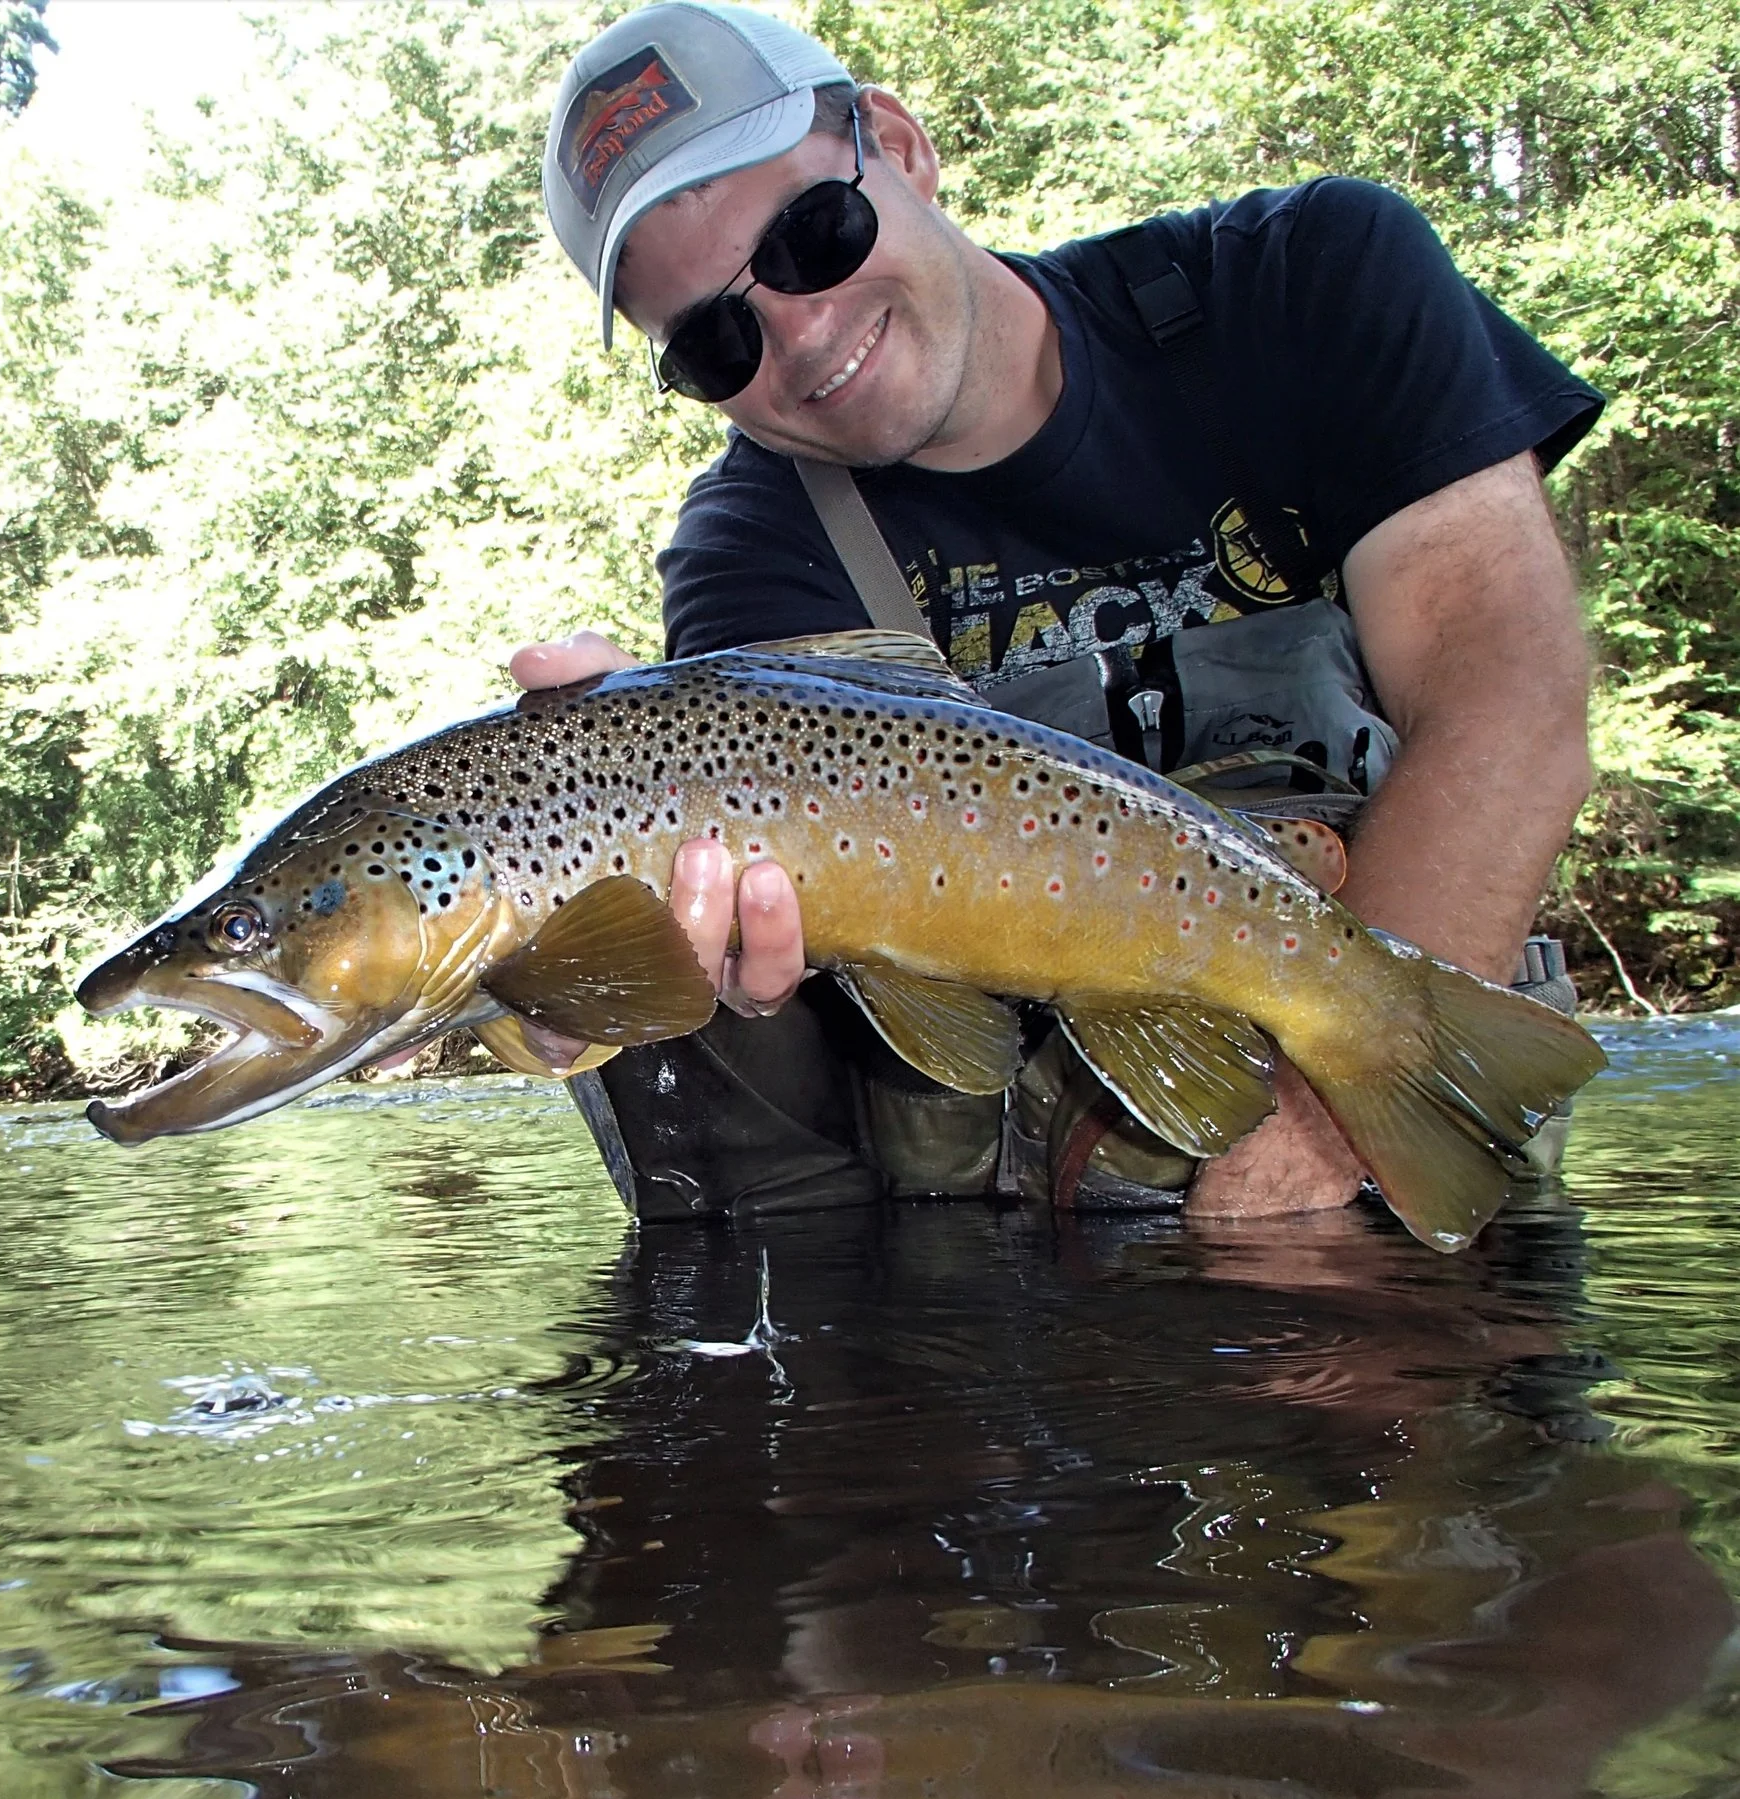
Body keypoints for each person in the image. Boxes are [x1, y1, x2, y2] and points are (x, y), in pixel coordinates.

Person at [513, 0, 1598, 1223]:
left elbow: (1509, 700)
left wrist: (1309, 1148)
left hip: (1383, 1040)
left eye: (812, 238)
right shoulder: (748, 548)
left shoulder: (1307, 286)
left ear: (897, 145)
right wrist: (602, 809)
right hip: (1008, 1209)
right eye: (714, 343)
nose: (801, 336)